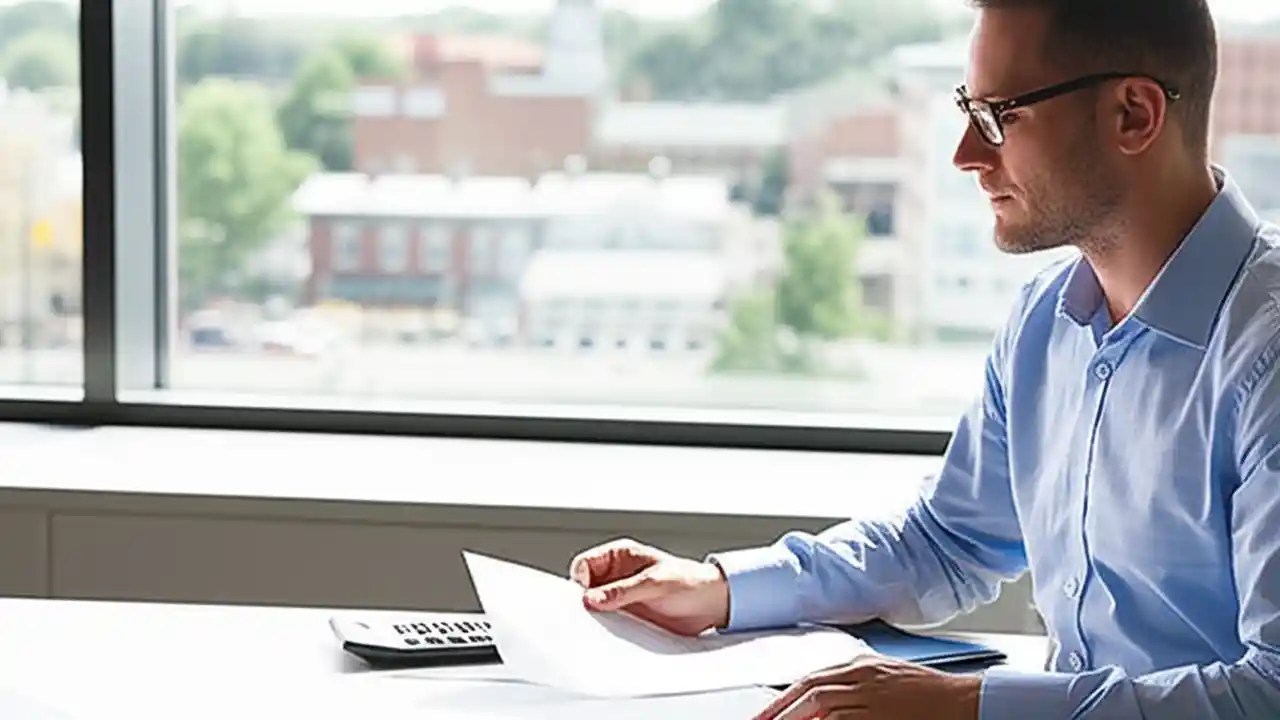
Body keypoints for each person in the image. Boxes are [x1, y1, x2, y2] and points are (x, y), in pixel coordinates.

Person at [569, 0, 1280, 718]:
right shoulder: (1045, 322)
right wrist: (718, 591)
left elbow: (1272, 689)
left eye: (1000, 115)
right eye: (968, 109)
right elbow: (947, 540)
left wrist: (968, 707)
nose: (966, 154)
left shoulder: (1267, 355)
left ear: (1133, 115)